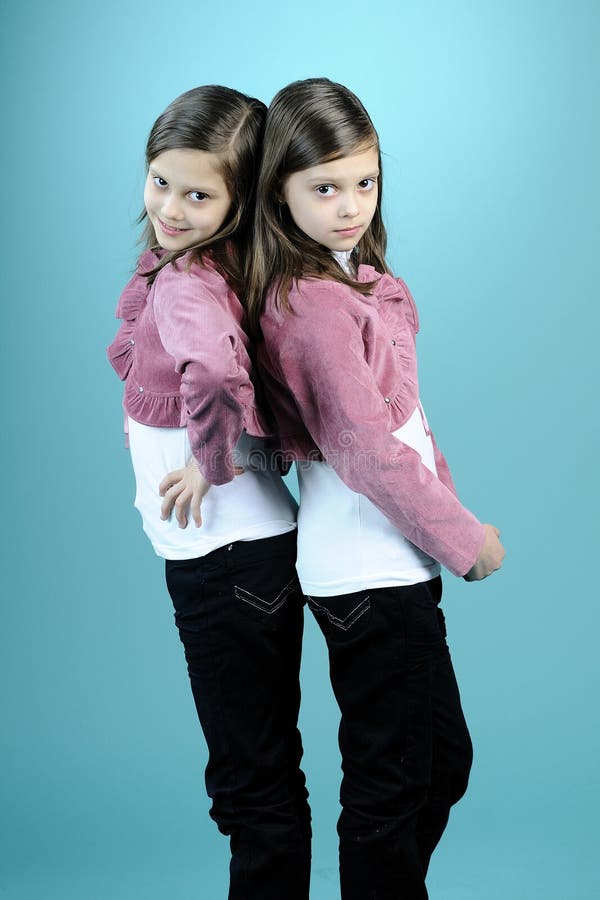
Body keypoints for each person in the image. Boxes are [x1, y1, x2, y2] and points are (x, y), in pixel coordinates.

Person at [247, 77, 505, 900]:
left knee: (438, 764)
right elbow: (364, 448)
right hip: (369, 570)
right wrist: (464, 539)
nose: (349, 204)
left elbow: (406, 425)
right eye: (323, 187)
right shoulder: (316, 304)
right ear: (279, 191)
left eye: (365, 181)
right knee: (390, 793)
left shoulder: (343, 273)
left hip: (390, 562)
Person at [107, 86, 310, 900]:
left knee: (251, 782)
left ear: (237, 200)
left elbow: (220, 371)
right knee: (261, 770)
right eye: (162, 182)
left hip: (228, 566)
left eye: (199, 194)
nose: (172, 206)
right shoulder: (201, 265)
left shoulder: (189, 281)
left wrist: (209, 460)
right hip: (242, 564)